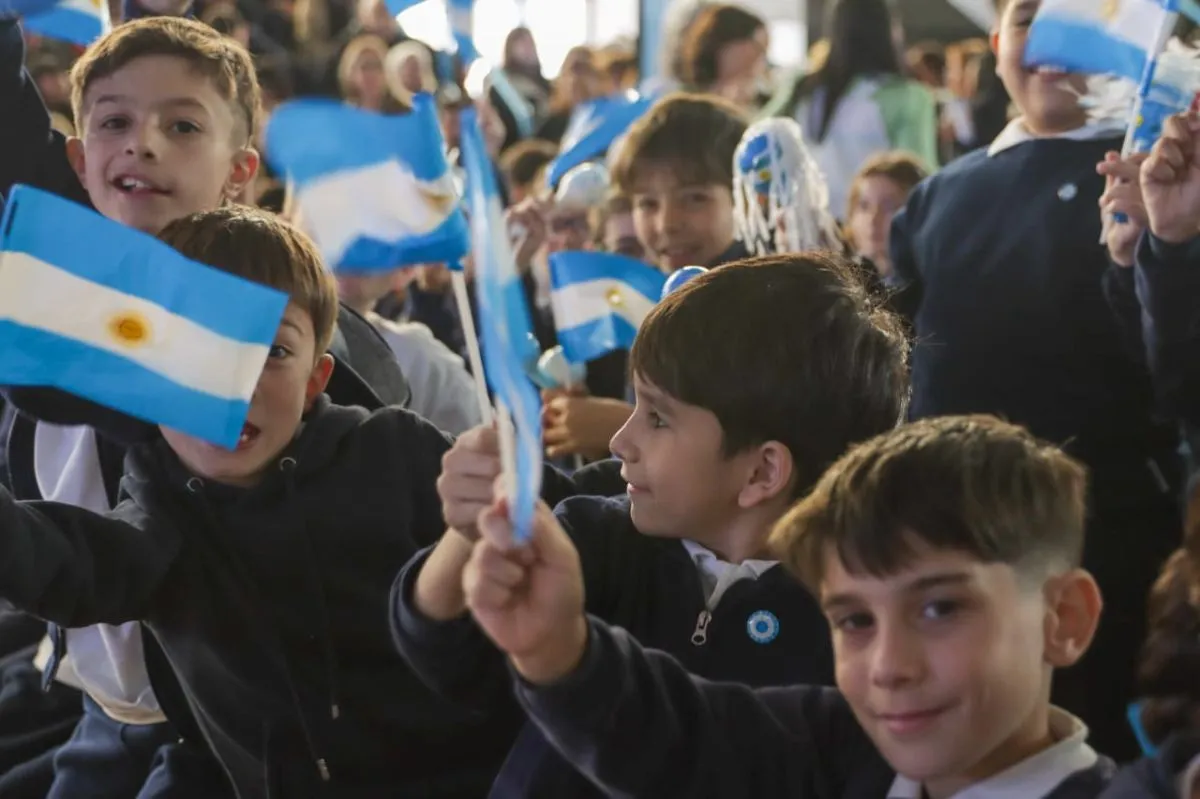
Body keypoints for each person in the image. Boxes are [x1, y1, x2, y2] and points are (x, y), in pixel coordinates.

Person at [0, 15, 409, 797]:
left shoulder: (285, 336)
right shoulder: (61, 304)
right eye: (114, 122)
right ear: (82, 162)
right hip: (101, 709)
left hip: (230, 736)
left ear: (240, 170)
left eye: (182, 125)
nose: (143, 143)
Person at [0, 206, 521, 797]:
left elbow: (554, 523)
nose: (233, 382)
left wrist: (507, 481)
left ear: (315, 381)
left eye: (270, 352)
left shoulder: (399, 450)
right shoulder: (159, 512)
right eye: (196, 347)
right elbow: (62, 564)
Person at [393, 252, 910, 797]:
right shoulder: (595, 538)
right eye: (633, 405)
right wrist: (468, 532)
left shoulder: (852, 625)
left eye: (657, 418)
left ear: (762, 471)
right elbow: (444, 655)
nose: (620, 440)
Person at [461, 415, 1116, 799]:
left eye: (941, 608)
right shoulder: (839, 744)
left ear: (1063, 619)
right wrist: (553, 646)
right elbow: (673, 731)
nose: (889, 665)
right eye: (855, 619)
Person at [888, 0, 1182, 757]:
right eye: (1027, 20)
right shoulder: (939, 195)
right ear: (994, 47)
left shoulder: (1154, 181)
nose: (1050, 42)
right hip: (948, 524)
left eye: (1080, 16)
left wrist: (1149, 251)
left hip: (1102, 530)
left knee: (1092, 729)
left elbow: (1170, 368)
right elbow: (897, 356)